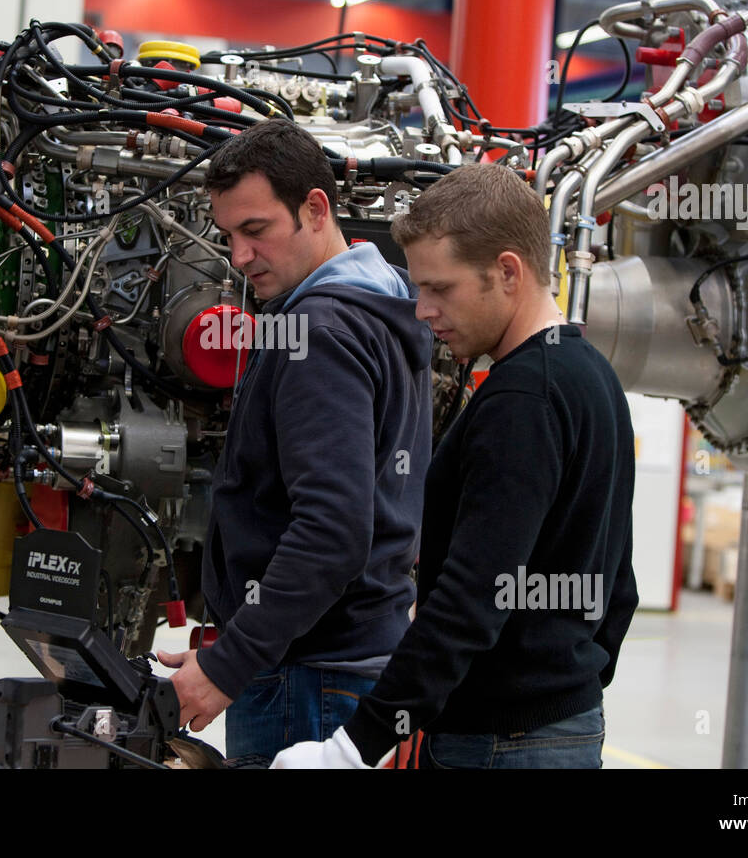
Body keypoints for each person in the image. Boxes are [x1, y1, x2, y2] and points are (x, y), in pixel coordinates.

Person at [271, 161, 638, 769]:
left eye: (440, 289)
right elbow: (616, 586)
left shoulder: (522, 398)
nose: (422, 310)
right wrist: (568, 684)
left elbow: (470, 598)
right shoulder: (590, 375)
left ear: (507, 272)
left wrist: (354, 745)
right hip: (559, 728)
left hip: (502, 743)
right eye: (417, 288)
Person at [156, 118, 433, 761]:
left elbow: (332, 530)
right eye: (228, 237)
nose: (241, 256)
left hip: (307, 679)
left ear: (315, 208)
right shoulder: (379, 305)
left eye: (256, 231)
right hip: (334, 663)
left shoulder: (321, 332)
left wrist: (234, 662)